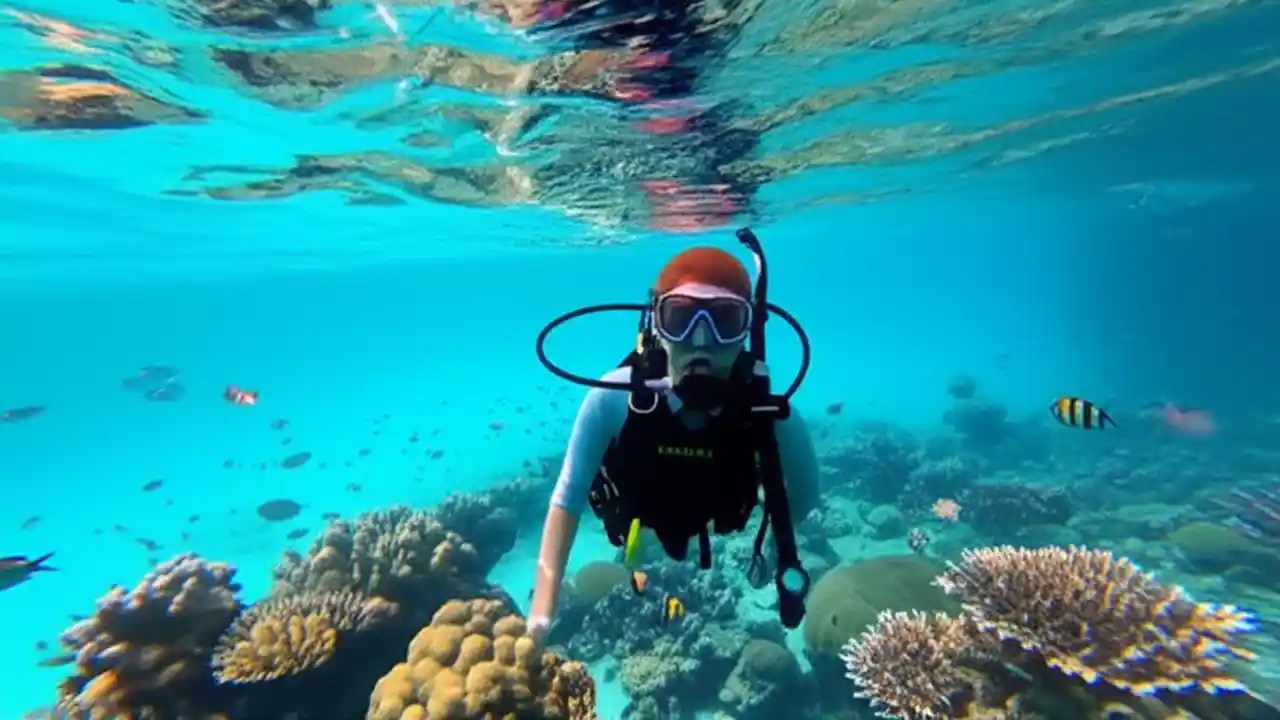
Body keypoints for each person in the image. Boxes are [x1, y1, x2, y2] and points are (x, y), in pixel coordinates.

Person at [529, 236, 820, 644]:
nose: (701, 342)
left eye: (725, 321)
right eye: (681, 319)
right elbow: (568, 496)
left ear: (747, 330)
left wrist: (777, 542)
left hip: (714, 518)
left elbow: (805, 494)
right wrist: (541, 614)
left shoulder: (771, 417)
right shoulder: (613, 398)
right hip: (634, 515)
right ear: (655, 327)